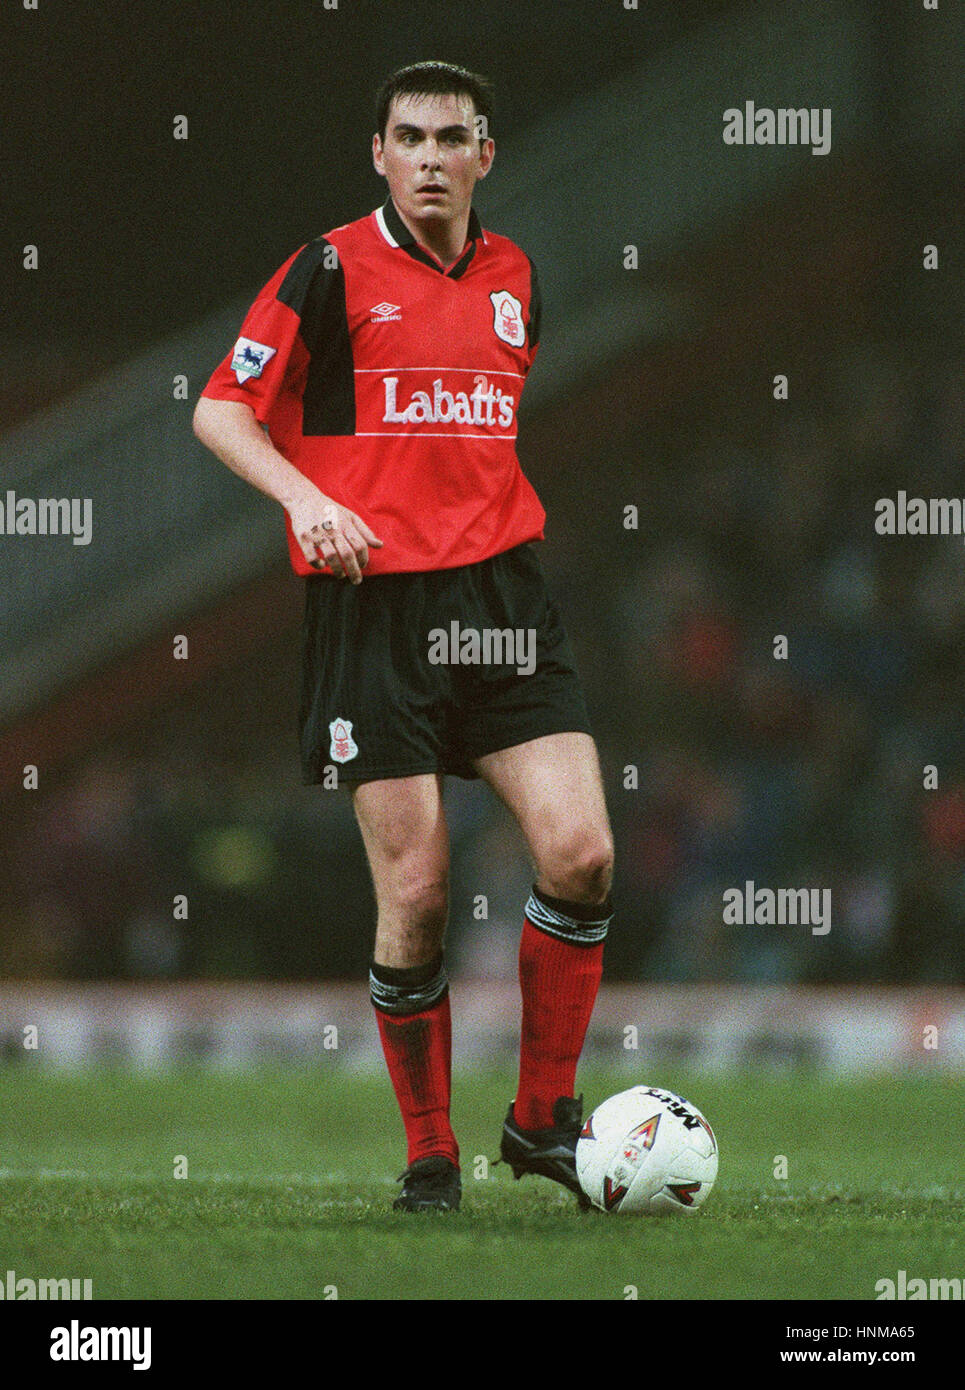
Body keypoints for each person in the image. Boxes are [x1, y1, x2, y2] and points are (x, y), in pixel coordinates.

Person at [192, 61, 614, 1212]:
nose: (430, 155)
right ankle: (431, 1151)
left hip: (502, 603)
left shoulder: (516, 275)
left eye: (452, 137)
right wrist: (305, 498)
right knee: (418, 893)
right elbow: (220, 407)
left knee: (580, 853)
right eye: (408, 136)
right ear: (377, 154)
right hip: (373, 607)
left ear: (488, 155)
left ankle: (539, 1121)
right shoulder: (326, 268)